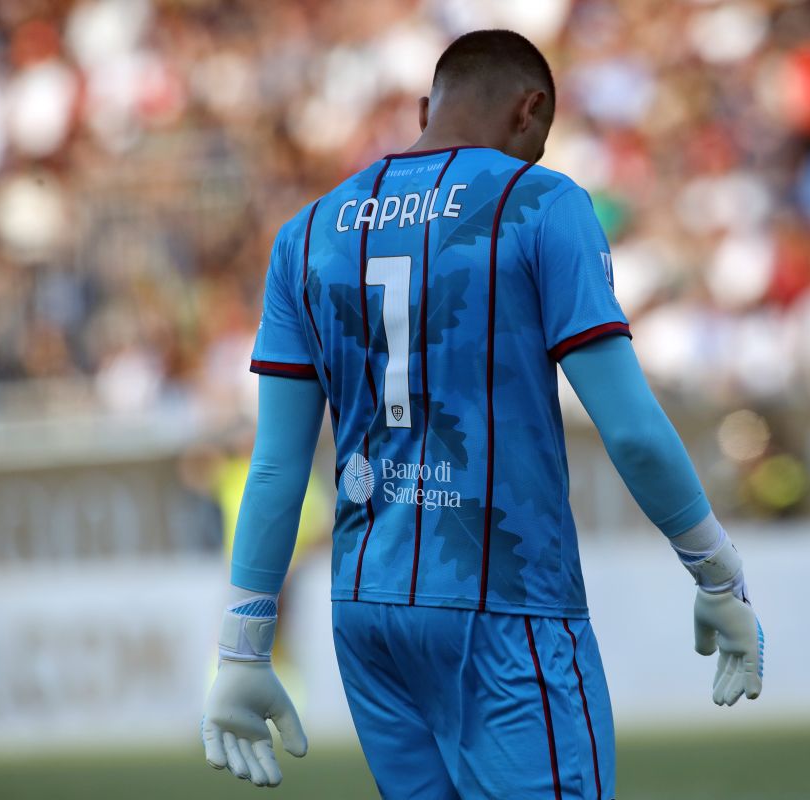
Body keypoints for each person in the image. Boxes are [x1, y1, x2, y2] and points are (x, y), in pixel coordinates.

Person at [201, 29, 764, 798]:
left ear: (425, 106)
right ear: (530, 112)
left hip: (368, 613)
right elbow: (629, 428)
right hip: (504, 603)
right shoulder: (542, 201)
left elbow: (275, 466)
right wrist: (718, 573)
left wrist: (242, 649)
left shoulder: (305, 234)